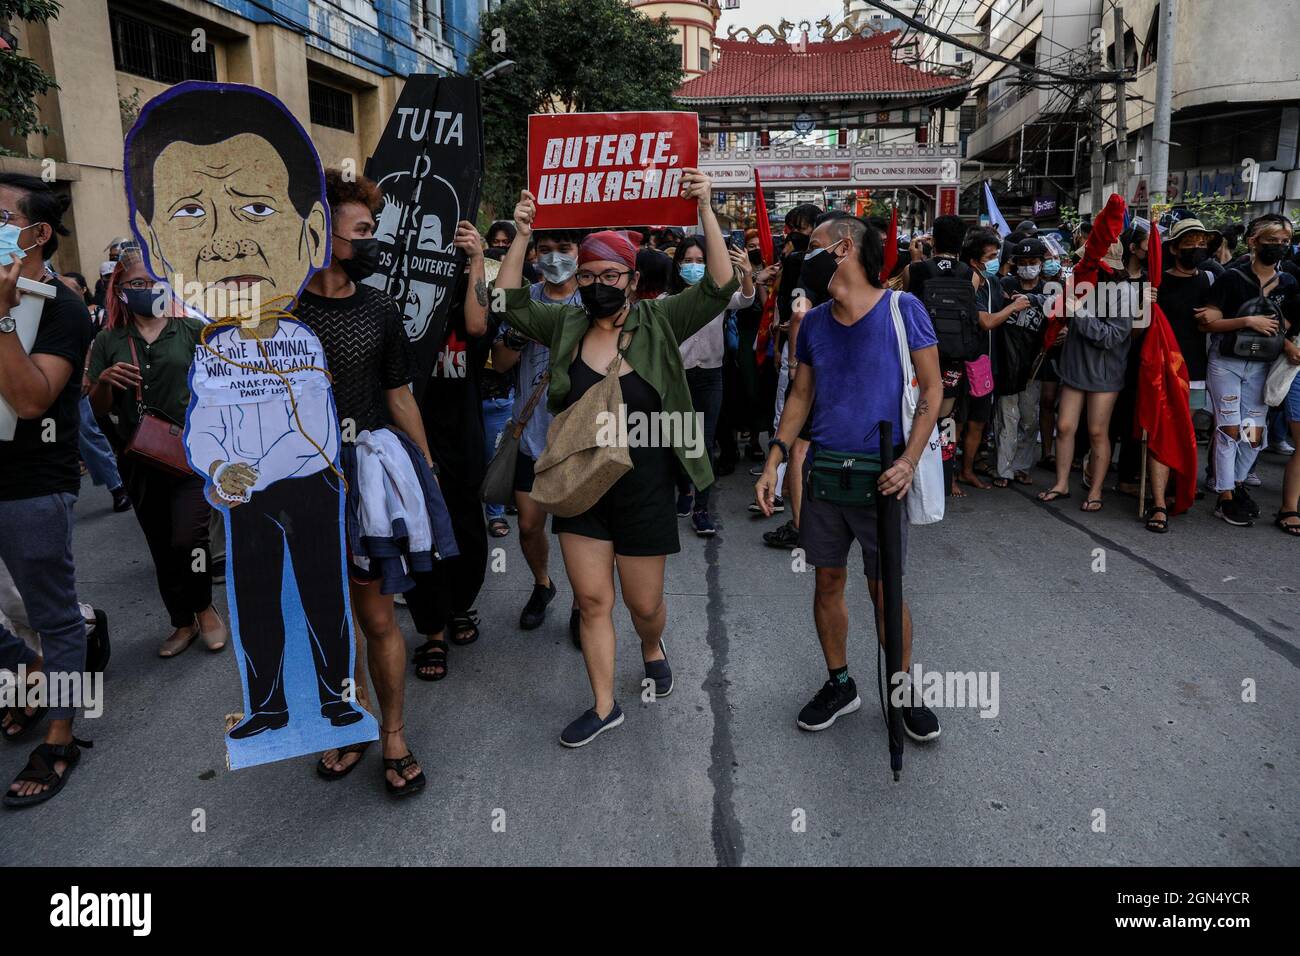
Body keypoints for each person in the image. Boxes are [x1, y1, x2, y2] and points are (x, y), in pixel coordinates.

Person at [495, 170, 740, 748]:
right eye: (588, 275)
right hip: (581, 484)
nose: (597, 283)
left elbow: (719, 288)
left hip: (646, 485)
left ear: (631, 279)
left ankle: (652, 646)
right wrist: (524, 235)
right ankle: (604, 705)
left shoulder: (660, 319)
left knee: (643, 603)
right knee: (591, 600)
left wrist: (704, 209)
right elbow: (504, 301)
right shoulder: (564, 323)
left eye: (609, 274)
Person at [296, 169, 455, 795]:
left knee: (379, 618)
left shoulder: (381, 308)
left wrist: (428, 470)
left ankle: (392, 732)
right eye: (362, 231)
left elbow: (399, 394)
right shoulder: (277, 311)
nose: (373, 242)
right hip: (299, 485)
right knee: (324, 620)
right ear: (324, 233)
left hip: (365, 481)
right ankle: (349, 723)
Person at [754, 213, 943, 740]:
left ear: (842, 249)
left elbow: (931, 392)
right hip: (825, 476)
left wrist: (907, 460)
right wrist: (775, 459)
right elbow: (800, 395)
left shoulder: (904, 310)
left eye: (809, 246)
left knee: (887, 590)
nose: (798, 255)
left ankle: (902, 691)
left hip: (883, 478)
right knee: (827, 580)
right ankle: (840, 683)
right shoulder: (812, 323)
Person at [0, 173, 95, 807]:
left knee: (54, 612)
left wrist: (1, 319)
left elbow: (32, 399)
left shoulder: (61, 309)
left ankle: (60, 732)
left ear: (33, 233)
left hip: (31, 486)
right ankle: (27, 672)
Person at [87, 249, 226, 658]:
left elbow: (219, 385)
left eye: (153, 281)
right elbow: (97, 409)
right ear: (121, 290)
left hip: (190, 455)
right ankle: (181, 621)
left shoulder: (190, 330)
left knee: (189, 538)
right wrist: (106, 380)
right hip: (140, 459)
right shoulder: (109, 340)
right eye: (136, 283)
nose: (146, 289)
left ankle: (204, 607)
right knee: (161, 545)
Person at [403, 219, 493, 681]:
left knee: (466, 534)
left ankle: (461, 606)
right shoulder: (400, 310)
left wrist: (477, 256)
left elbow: (479, 324)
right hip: (412, 444)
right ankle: (432, 631)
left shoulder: (467, 308)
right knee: (420, 539)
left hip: (462, 443)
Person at [492, 228, 586, 642]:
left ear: (579, 253)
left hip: (580, 441)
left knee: (578, 532)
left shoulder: (594, 298)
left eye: (563, 249)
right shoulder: (523, 300)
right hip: (531, 434)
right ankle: (543, 585)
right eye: (545, 250)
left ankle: (585, 604)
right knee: (530, 526)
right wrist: (517, 334)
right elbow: (498, 363)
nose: (554, 258)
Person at [1196, 213, 1297, 526]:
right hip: (1226, 362)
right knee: (1228, 428)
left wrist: (1284, 341)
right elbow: (1206, 321)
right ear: (1253, 242)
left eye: (1284, 242)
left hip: (1261, 367)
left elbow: (1287, 324)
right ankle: (1224, 494)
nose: (1278, 247)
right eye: (1271, 241)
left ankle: (1237, 484)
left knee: (1253, 433)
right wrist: (1247, 321)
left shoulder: (1289, 283)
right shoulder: (1231, 278)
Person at [1037, 234, 1136, 512]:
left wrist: (1077, 313)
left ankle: (1095, 491)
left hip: (1105, 371)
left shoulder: (1124, 292)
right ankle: (1061, 483)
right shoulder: (1080, 285)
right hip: (1075, 365)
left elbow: (1111, 337)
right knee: (1065, 425)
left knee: (1096, 431)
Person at [671, 234, 755, 535]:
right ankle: (685, 492)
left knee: (704, 444)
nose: (694, 266)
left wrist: (745, 272)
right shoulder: (665, 301)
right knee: (681, 442)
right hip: (676, 380)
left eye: (700, 261)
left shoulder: (718, 294)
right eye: (688, 261)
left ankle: (702, 508)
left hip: (711, 376)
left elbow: (745, 299)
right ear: (678, 264)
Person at [1144, 218, 1217, 532]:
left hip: (1196, 371)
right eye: (1190, 243)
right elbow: (1138, 330)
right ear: (1173, 248)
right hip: (1160, 370)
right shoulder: (1156, 282)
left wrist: (1216, 317)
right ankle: (1158, 502)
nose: (1196, 248)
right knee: (1160, 433)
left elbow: (1217, 322)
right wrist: (1144, 306)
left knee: (1186, 433)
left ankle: (1181, 482)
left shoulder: (1213, 281)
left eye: (1202, 243)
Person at [58, 271, 131, 513]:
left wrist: (86, 373)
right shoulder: (48, 309)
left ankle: (117, 486)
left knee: (88, 434)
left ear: (82, 290)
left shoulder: (87, 314)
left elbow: (89, 345)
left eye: (70, 288)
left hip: (74, 383)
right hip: (42, 381)